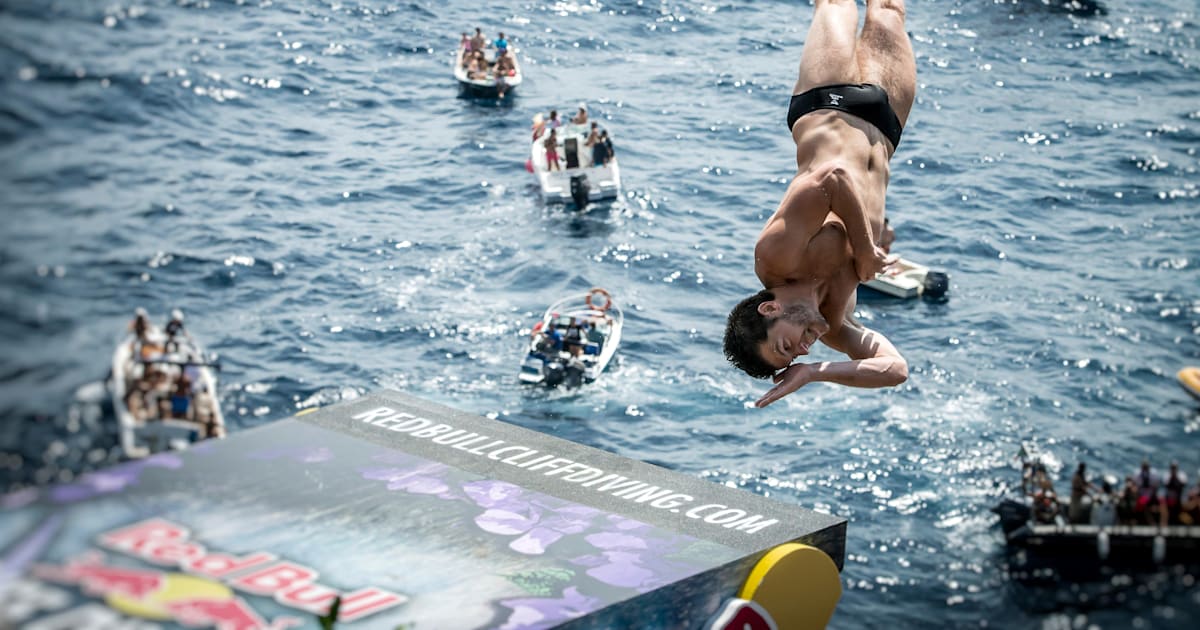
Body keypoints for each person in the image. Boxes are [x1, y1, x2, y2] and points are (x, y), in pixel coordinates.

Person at [722, 0, 916, 407]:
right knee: (888, 10)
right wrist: (814, 374)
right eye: (796, 358)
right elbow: (894, 368)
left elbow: (831, 179)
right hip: (886, 124)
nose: (803, 352)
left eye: (786, 348)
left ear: (770, 309)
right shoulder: (836, 321)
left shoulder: (775, 259)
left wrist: (865, 252)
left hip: (827, 99)